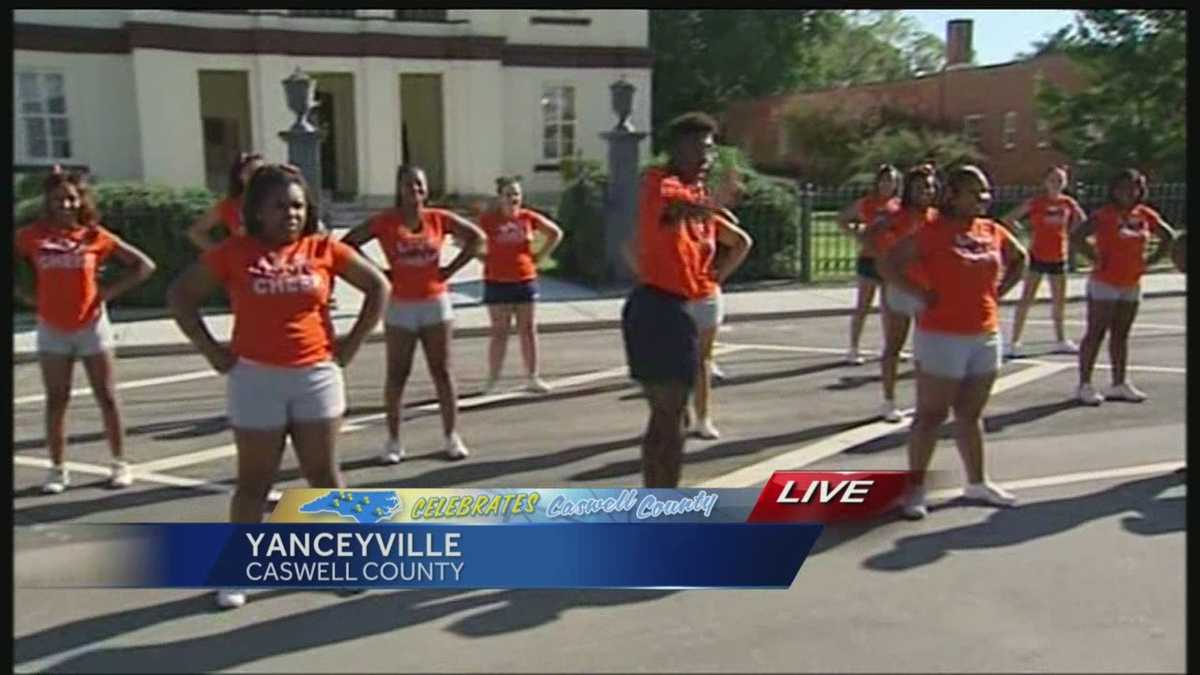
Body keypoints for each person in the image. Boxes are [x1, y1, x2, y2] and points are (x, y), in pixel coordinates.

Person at [167, 163, 389, 609]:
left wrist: (351, 344)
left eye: (298, 206)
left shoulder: (323, 248)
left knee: (324, 476)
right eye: (280, 206)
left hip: (316, 377)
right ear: (258, 212)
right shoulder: (233, 252)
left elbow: (378, 286)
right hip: (255, 378)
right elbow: (181, 296)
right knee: (254, 482)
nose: (290, 214)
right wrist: (212, 350)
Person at [880, 165, 1029, 519]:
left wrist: (998, 293)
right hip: (941, 335)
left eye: (986, 191)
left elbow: (1020, 258)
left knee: (971, 414)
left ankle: (977, 482)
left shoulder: (991, 230)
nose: (984, 198)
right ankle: (914, 489)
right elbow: (889, 263)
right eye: (975, 191)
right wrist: (919, 293)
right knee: (931, 415)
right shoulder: (931, 232)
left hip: (984, 333)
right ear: (952, 195)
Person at [14, 166, 157, 493]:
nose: (65, 205)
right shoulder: (31, 235)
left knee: (107, 396)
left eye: (70, 199)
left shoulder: (94, 236)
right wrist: (23, 296)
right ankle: (57, 469)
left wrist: (108, 293)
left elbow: (144, 265)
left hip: (91, 325)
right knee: (56, 400)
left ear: (81, 200)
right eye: (57, 200)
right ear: (47, 203)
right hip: (52, 327)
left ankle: (120, 463)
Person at [620, 112, 737, 487]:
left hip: (680, 308)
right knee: (670, 417)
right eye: (699, 148)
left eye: (711, 149)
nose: (707, 157)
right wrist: (715, 204)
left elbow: (708, 237)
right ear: (677, 149)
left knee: (670, 418)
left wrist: (712, 276)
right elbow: (676, 209)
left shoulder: (697, 193)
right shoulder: (659, 182)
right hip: (656, 307)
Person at [341, 165, 485, 464]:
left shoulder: (437, 218)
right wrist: (379, 274)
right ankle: (393, 441)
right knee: (397, 375)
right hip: (400, 307)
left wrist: (450, 270)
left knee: (442, 372)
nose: (415, 191)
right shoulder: (386, 221)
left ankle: (451, 436)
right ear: (399, 189)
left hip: (435, 303)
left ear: (426, 189)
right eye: (409, 185)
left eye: (419, 185)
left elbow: (477, 238)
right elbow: (348, 244)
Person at [1072, 169, 1177, 405]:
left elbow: (1167, 236)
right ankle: (1084, 384)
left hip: (1131, 281)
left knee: (1121, 334)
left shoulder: (1145, 215)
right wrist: (1096, 258)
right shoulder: (1104, 215)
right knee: (1096, 332)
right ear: (1113, 190)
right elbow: (1077, 236)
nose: (1128, 193)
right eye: (1123, 188)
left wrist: (1150, 261)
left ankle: (1118, 383)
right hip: (1105, 282)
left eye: (1134, 187)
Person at [478, 175, 564, 395]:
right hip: (497, 281)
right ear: (499, 198)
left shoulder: (527, 218)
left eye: (516, 194)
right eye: (508, 194)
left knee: (528, 330)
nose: (513, 198)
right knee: (500, 332)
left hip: (524, 279)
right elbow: (466, 240)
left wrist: (540, 255)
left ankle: (532, 377)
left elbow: (555, 233)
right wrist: (482, 257)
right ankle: (492, 379)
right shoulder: (489, 220)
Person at [866, 163, 939, 423]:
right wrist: (881, 260)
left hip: (926, 290)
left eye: (930, 187)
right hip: (899, 288)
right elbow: (870, 236)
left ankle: (923, 400)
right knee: (894, 347)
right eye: (920, 187)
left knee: (926, 349)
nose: (926, 192)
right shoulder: (895, 215)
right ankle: (889, 400)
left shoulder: (935, 217)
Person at [685, 176, 753, 440]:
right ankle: (680, 413)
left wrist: (720, 275)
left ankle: (703, 417)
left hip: (705, 295)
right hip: (676, 295)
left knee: (702, 360)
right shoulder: (671, 225)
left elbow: (742, 242)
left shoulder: (711, 222)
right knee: (677, 360)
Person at [1002, 165, 1088, 357]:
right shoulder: (1037, 202)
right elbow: (1008, 219)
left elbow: (1083, 222)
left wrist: (1074, 236)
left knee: (1059, 301)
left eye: (1060, 180)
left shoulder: (1068, 203)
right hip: (1038, 256)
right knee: (1027, 299)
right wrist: (1022, 232)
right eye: (1053, 180)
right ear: (1045, 182)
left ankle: (1060, 339)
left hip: (1059, 256)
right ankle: (1014, 341)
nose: (1056, 184)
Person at [837, 164, 901, 365]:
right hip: (869, 259)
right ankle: (854, 348)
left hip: (890, 260)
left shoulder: (899, 205)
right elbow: (842, 219)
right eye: (884, 180)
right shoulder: (867, 203)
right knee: (863, 305)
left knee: (889, 308)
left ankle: (889, 348)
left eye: (891, 181)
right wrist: (857, 234)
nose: (887, 185)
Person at [187, 152, 265, 251]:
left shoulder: (276, 201)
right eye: (251, 172)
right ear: (240, 176)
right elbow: (196, 232)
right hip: (243, 263)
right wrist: (222, 253)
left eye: (261, 172)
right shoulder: (230, 206)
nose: (257, 177)